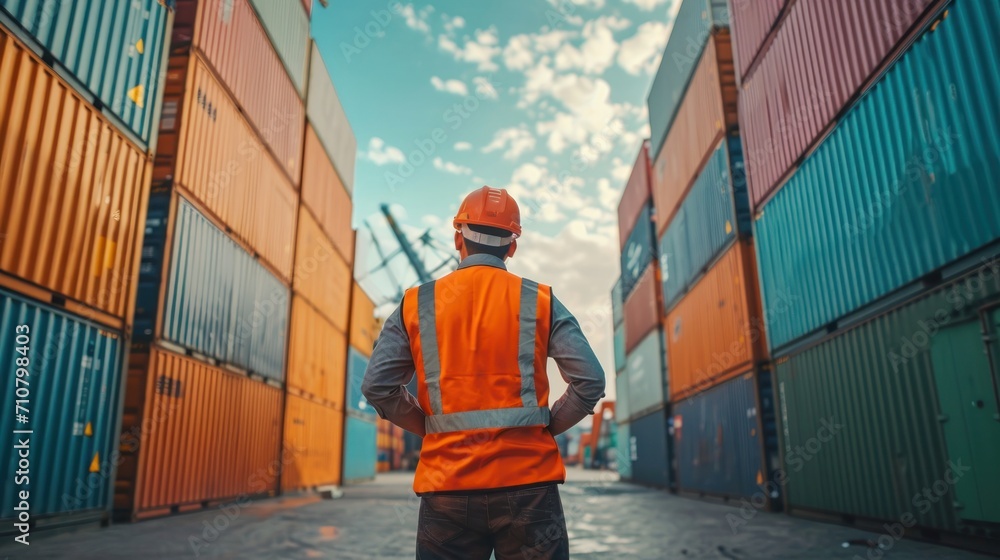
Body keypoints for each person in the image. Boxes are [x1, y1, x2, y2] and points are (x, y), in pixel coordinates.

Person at [362, 186, 606, 560]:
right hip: (529, 483)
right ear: (512, 246)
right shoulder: (538, 299)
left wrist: (428, 427)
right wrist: (546, 427)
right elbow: (589, 380)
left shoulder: (418, 302)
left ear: (458, 237)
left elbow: (378, 386)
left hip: (447, 485)